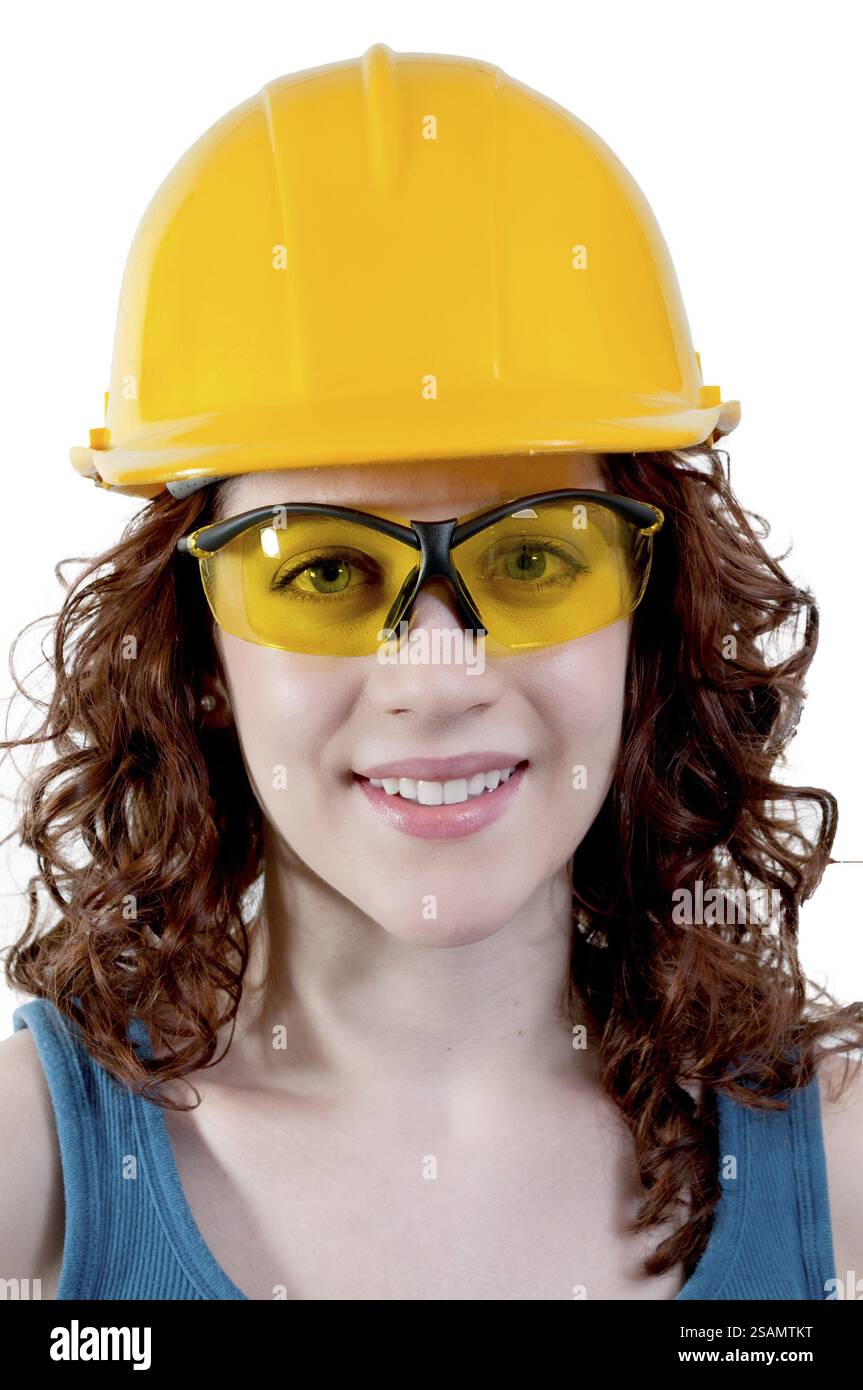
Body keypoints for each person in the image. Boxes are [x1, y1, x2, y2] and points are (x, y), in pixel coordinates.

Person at [1, 44, 861, 1302]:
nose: (437, 671)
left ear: (651, 614)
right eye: (323, 571)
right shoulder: (39, 1164)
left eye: (532, 558)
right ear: (197, 646)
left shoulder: (831, 1152)